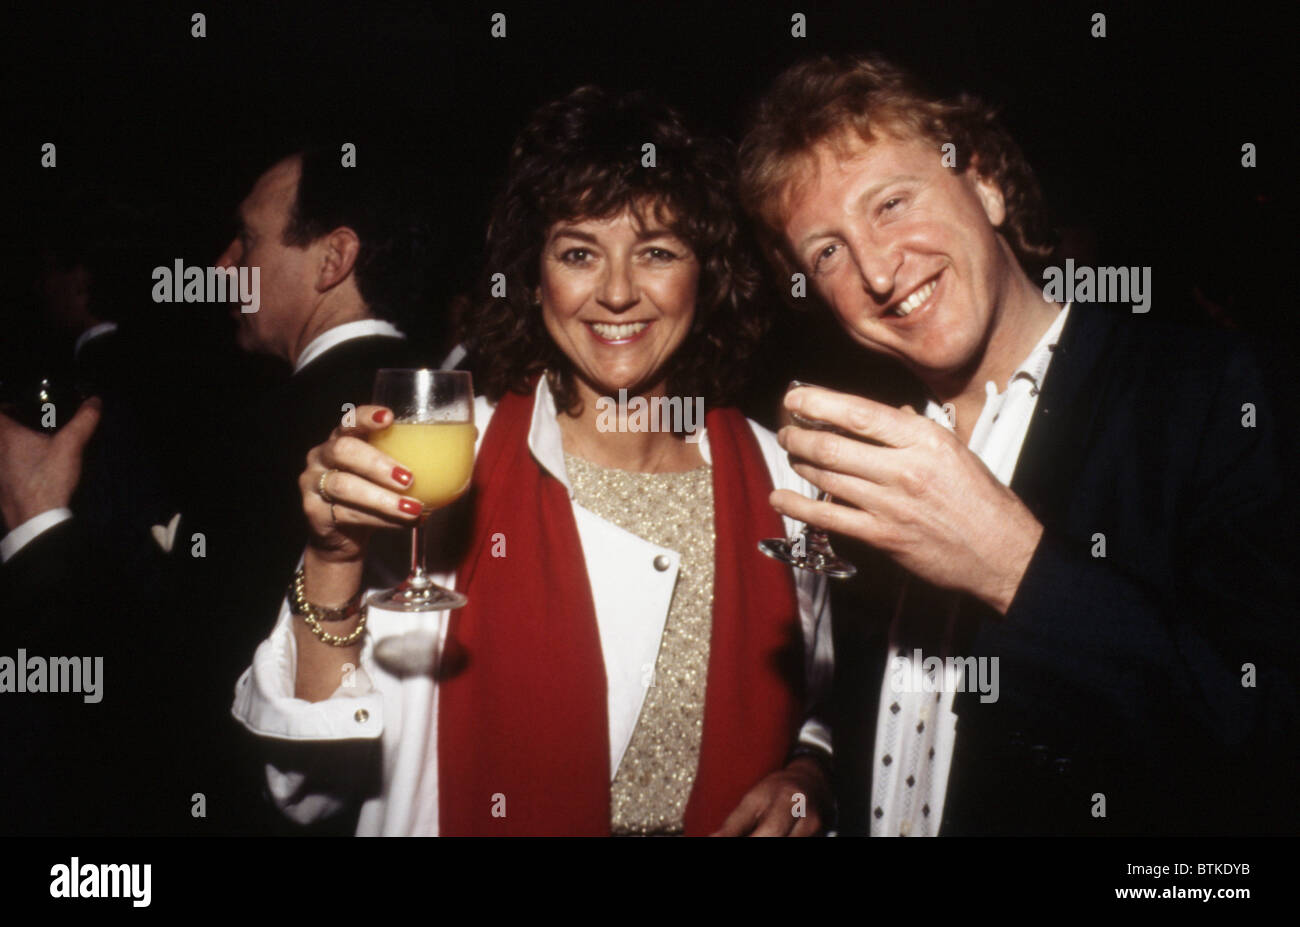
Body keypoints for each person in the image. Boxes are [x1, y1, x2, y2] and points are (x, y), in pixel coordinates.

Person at [233, 87, 834, 836]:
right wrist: (332, 554)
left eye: (656, 251)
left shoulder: (784, 478)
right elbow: (307, 789)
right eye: (579, 252)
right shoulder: (448, 466)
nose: (617, 292)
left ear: (705, 275)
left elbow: (809, 703)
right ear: (536, 276)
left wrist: (808, 773)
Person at [737, 53, 1297, 835]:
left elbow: (1264, 751)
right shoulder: (861, 461)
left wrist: (1014, 567)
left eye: (892, 202)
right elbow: (889, 714)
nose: (875, 268)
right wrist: (816, 773)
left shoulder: (1210, 394)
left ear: (988, 185)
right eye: (826, 252)